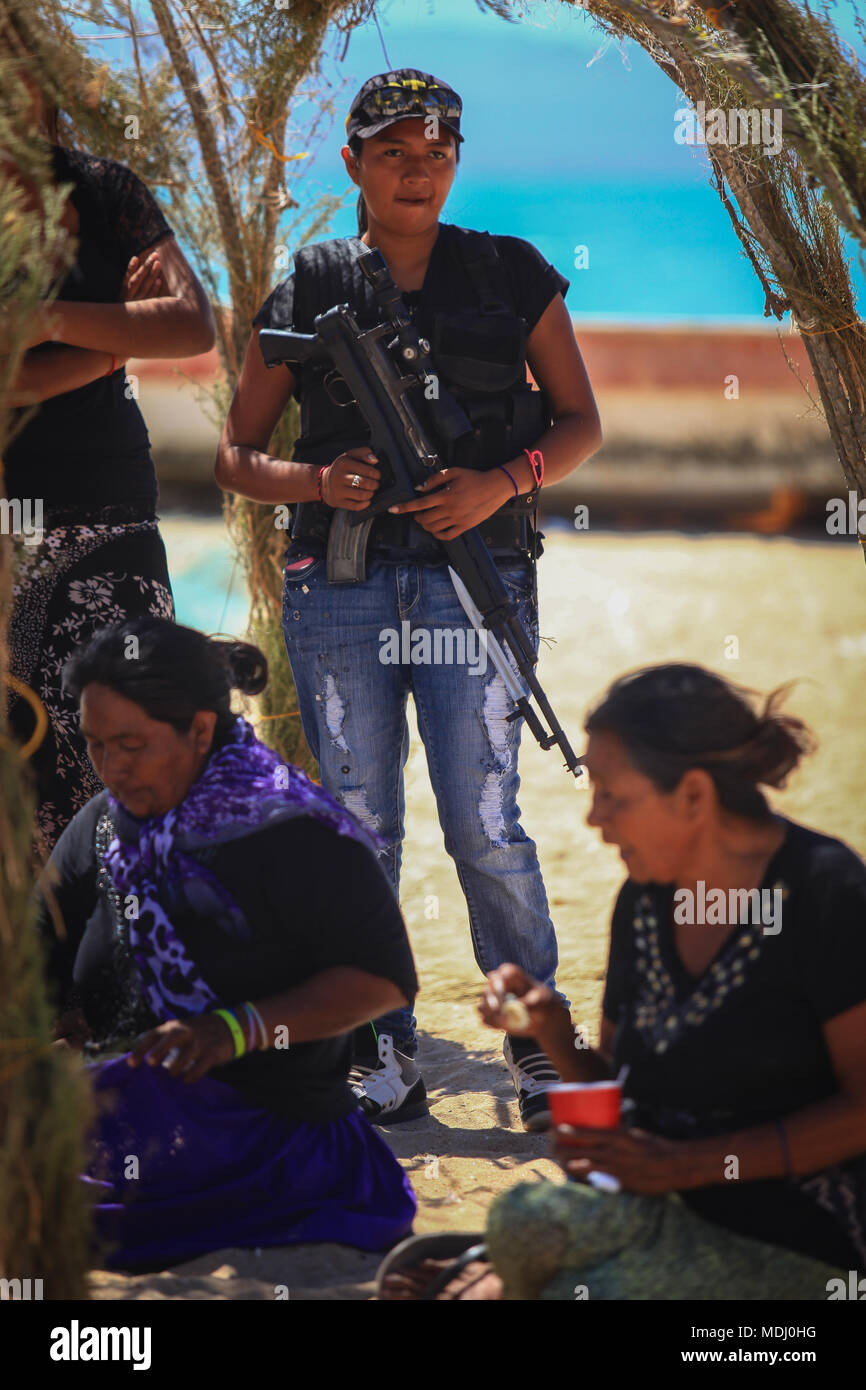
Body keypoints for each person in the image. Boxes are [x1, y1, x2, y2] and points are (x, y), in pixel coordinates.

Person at [215, 68, 603, 1128]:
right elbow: (235, 453)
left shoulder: (509, 273)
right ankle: (376, 1043)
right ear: (353, 164)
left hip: (475, 586)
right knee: (358, 826)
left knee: (485, 821)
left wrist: (498, 484)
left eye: (435, 149)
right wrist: (315, 482)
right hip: (338, 588)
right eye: (392, 150)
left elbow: (576, 423)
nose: (417, 167)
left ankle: (535, 1041)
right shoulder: (308, 284)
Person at [378, 664, 866, 1299]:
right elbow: (618, 1092)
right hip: (662, 1210)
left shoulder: (825, 893)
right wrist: (551, 1028)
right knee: (520, 1217)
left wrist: (689, 1164)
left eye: (611, 793)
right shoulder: (646, 902)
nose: (593, 819)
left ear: (693, 795)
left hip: (798, 1238)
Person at [34, 617, 418, 1272]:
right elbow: (38, 945)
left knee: (59, 1221)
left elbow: (382, 981)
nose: (111, 767)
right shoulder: (107, 821)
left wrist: (233, 1029)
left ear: (201, 730)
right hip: (127, 1101)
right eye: (96, 744)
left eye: (132, 743)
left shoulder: (296, 832)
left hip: (270, 1134)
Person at [0, 11, 215, 858]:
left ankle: (126, 968)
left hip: (107, 510)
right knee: (18, 765)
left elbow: (191, 322)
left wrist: (45, 317)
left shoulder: (107, 189)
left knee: (125, 747)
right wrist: (115, 336)